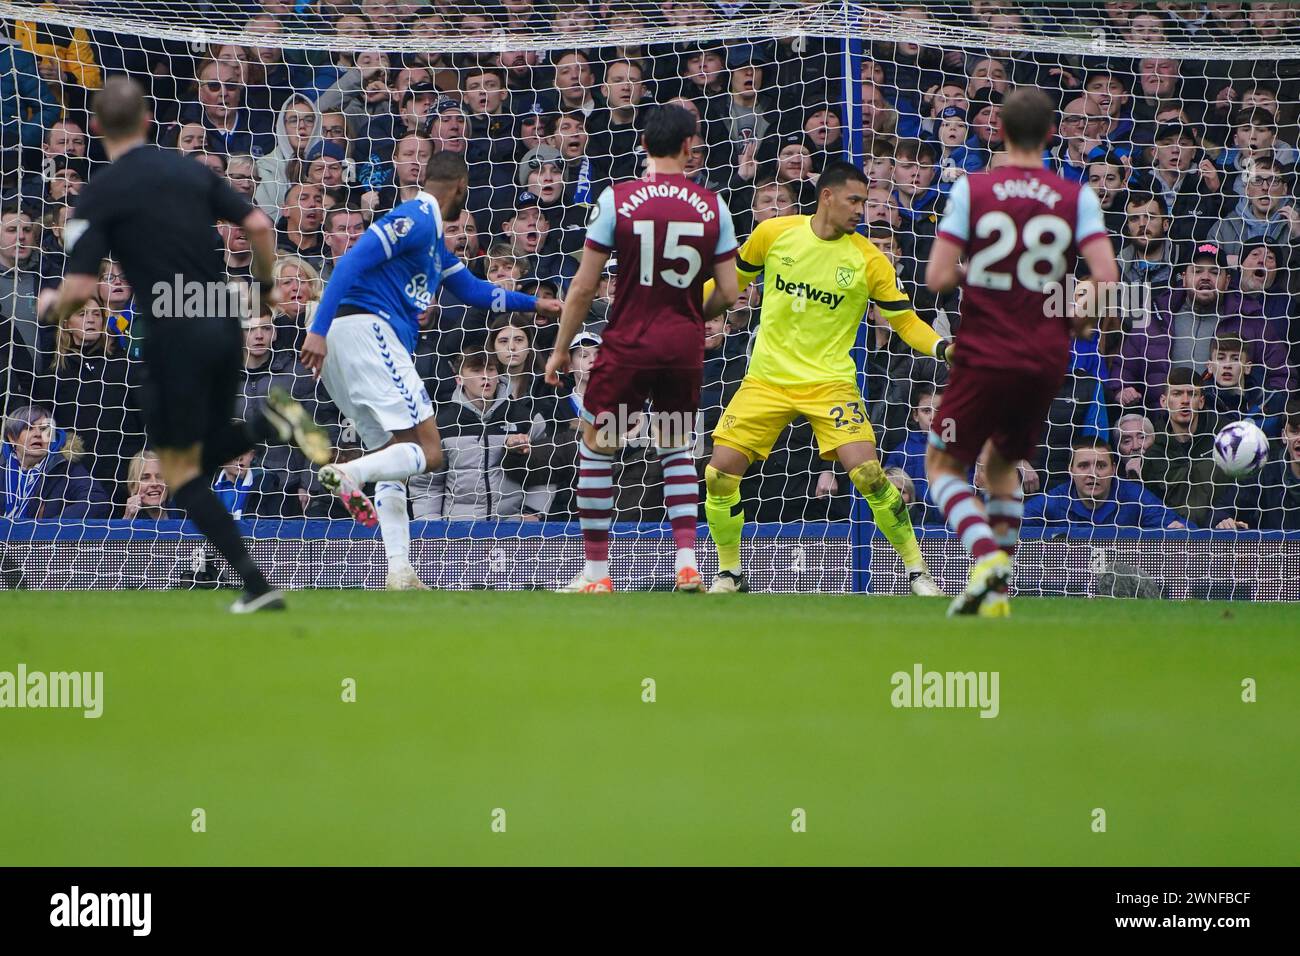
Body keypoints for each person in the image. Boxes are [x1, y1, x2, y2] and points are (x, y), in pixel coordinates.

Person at [41, 77, 329, 614]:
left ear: (97, 128)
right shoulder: (190, 169)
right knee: (208, 451)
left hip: (172, 333)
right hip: (221, 321)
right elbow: (261, 224)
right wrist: (265, 286)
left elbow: (81, 288)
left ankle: (256, 583)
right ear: (149, 121)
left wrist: (50, 309)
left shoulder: (102, 192)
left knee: (180, 470)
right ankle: (268, 425)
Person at [301, 151, 560, 589]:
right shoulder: (417, 217)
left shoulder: (435, 245)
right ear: (460, 187)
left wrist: (536, 304)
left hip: (346, 342)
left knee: (393, 456)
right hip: (367, 332)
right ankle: (350, 472)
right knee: (430, 451)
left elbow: (478, 292)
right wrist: (318, 330)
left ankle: (400, 570)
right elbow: (351, 261)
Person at [699, 161, 947, 596]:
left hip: (830, 383)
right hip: (767, 380)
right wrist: (677, 311)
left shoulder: (869, 259)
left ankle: (918, 573)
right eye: (854, 200)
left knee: (870, 474)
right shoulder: (773, 234)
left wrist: (944, 348)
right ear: (827, 197)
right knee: (719, 476)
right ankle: (729, 572)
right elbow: (726, 286)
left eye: (865, 203)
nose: (861, 211)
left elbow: (905, 322)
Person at [925, 86, 1120, 617]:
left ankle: (986, 557)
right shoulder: (1076, 196)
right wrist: (1078, 314)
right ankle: (998, 596)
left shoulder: (974, 189)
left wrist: (984, 272)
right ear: (1052, 134)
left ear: (1001, 132)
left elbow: (939, 275)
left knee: (942, 466)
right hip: (1045, 359)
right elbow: (1106, 276)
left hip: (984, 353)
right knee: (1002, 465)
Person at [542, 104, 740, 593]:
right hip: (681, 347)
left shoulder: (619, 199)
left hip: (628, 343)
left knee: (598, 446)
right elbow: (732, 293)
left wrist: (561, 348)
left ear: (645, 146)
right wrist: (693, 316)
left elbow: (585, 287)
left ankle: (596, 573)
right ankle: (688, 562)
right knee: (675, 446)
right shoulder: (713, 205)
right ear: (689, 147)